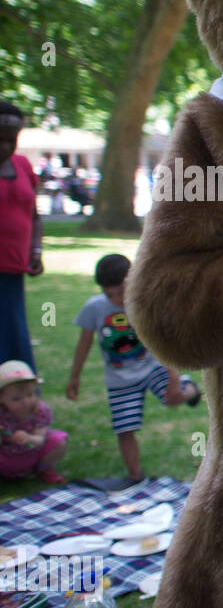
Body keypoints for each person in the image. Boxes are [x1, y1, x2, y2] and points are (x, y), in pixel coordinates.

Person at [67, 254, 202, 483]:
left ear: (133, 279)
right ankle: (135, 476)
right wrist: (74, 377)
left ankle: (192, 390)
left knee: (173, 398)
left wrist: (174, 380)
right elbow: (84, 343)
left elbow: (163, 340)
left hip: (152, 366)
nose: (118, 299)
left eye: (121, 291)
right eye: (110, 294)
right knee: (124, 428)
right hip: (119, 379)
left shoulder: (146, 301)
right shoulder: (95, 308)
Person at [0, 100, 43, 374]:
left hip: (14, 269)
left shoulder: (22, 164)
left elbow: (35, 216)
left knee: (14, 329)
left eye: (10, 139)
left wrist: (36, 250)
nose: (4, 146)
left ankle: (20, 398)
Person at [0, 360, 68, 484]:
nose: (26, 402)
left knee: (58, 440)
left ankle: (44, 470)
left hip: (33, 454)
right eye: (16, 399)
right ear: (1, 398)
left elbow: (40, 440)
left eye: (30, 395)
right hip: (6, 458)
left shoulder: (41, 410)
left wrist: (29, 438)